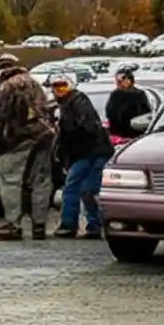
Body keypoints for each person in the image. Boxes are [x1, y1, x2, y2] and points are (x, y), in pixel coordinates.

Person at [0, 65, 56, 240]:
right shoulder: (35, 84)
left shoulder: (6, 87)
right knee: (40, 180)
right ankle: (39, 225)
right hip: (43, 136)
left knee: (10, 181)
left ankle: (13, 224)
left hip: (17, 139)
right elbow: (47, 109)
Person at [50, 75, 113, 239]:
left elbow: (85, 129)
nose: (59, 91)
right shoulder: (69, 104)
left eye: (63, 87)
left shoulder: (77, 102)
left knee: (74, 187)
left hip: (90, 152)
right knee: (88, 189)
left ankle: (69, 225)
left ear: (70, 86)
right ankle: (94, 225)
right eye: (56, 88)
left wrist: (69, 147)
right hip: (91, 151)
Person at [104, 66, 151, 141]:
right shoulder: (115, 95)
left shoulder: (139, 95)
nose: (118, 83)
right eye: (117, 80)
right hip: (117, 136)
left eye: (121, 80)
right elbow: (110, 113)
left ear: (129, 80)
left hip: (136, 135)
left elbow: (146, 114)